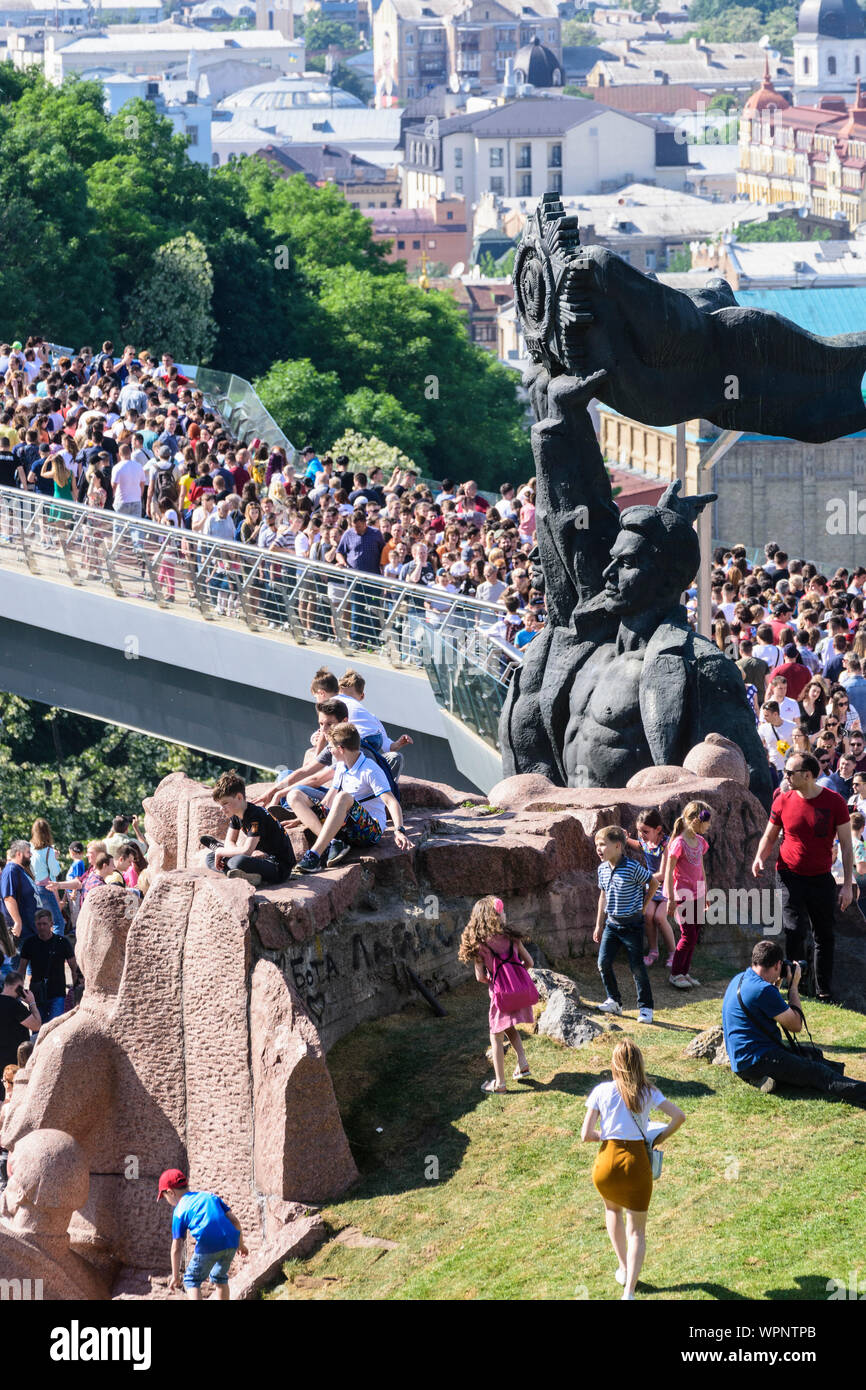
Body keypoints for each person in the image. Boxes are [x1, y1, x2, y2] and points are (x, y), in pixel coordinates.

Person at [581, 1039, 685, 1300]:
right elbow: (679, 1116)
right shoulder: (647, 1091)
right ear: (639, 1064)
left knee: (612, 1209)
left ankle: (624, 1268)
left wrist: (605, 1136)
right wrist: (659, 1138)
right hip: (636, 1162)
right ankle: (628, 1293)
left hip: (606, 1162)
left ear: (614, 1065)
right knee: (637, 1230)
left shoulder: (602, 1090)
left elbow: (585, 1134)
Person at [752, 753, 853, 1003]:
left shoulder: (835, 802)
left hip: (821, 878)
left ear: (807, 775)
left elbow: (848, 847)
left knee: (824, 935)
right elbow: (770, 836)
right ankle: (794, 985)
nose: (785, 775)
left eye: (789, 772)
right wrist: (759, 857)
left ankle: (823, 990)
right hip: (789, 876)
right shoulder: (782, 800)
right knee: (794, 929)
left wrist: (848, 885)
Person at [722, 939, 866, 1104]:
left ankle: (766, 1079)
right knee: (818, 1072)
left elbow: (764, 1008)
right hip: (756, 1061)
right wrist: (794, 986)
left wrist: (777, 985)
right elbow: (796, 1025)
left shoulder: (741, 978)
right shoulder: (763, 990)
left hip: (742, 1059)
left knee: (812, 1054)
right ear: (777, 965)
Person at [290, 722, 410, 875]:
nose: (329, 751)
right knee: (295, 795)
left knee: (343, 797)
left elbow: (391, 802)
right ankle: (332, 843)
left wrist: (399, 830)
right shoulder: (341, 765)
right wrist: (305, 815)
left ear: (340, 749)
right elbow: (328, 800)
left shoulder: (370, 769)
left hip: (369, 830)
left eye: (331, 747)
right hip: (345, 825)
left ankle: (314, 856)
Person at [458, 895, 536, 1094]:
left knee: (495, 1034)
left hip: (500, 996)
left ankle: (500, 1083)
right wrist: (515, 977)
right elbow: (530, 963)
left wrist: (495, 980)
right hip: (518, 992)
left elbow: (479, 977)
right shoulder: (512, 938)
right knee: (508, 1026)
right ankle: (523, 1063)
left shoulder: (480, 945)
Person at [593, 825, 659, 1024]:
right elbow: (602, 896)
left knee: (637, 967)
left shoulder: (631, 867)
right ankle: (614, 1001)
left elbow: (653, 883)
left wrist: (644, 906)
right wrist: (599, 925)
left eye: (603, 844)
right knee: (603, 963)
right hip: (612, 926)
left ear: (618, 846)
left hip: (632, 926)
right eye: (597, 845)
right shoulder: (602, 869)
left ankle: (646, 1008)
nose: (599, 848)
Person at [157, 1168, 248, 1301]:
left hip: (209, 1243)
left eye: (165, 1197)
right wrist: (241, 1244)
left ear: (170, 1192)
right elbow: (234, 1221)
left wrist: (175, 1276)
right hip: (231, 1241)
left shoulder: (179, 1211)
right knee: (220, 1277)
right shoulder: (209, 1196)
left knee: (191, 1280)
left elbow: (176, 1248)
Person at [204, 771, 295, 887]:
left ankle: (233, 870)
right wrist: (227, 852)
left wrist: (223, 852)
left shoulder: (255, 816)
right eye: (220, 805)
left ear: (239, 797)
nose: (222, 809)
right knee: (210, 858)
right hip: (258, 859)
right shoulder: (236, 814)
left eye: (225, 803)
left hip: (278, 867)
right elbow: (230, 841)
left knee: (238, 861)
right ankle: (242, 875)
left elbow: (247, 851)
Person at [664, 801, 711, 990]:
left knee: (695, 933)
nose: (708, 826)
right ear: (694, 821)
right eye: (706, 822)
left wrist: (706, 891)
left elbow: (701, 868)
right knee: (687, 935)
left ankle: (684, 972)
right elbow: (669, 871)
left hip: (698, 894)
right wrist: (670, 898)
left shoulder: (700, 842)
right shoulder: (679, 843)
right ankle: (675, 974)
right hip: (682, 895)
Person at [626, 810, 675, 969]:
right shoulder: (645, 842)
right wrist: (625, 839)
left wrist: (640, 878)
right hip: (652, 887)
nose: (641, 835)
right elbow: (637, 845)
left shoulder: (666, 845)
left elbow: (662, 873)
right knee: (647, 915)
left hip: (667, 886)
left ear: (658, 829)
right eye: (639, 831)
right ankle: (653, 951)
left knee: (660, 917)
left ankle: (674, 953)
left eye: (645, 831)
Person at [20, 909, 78, 1023]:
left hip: (57, 993)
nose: (42, 927)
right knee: (37, 1028)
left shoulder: (62, 942)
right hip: (37, 994)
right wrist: (20, 992)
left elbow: (74, 968)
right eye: (39, 924)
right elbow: (21, 969)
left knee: (54, 1026)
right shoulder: (29, 943)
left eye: (45, 924)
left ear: (51, 924)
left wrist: (76, 990)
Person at [1, 841, 39, 959]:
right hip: (19, 931)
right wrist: (17, 922)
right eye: (28, 852)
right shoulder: (11, 871)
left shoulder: (20, 870)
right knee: (15, 967)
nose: (31, 855)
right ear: (18, 854)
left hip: (28, 928)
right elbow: (8, 897)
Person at [29, 818, 65, 935]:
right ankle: (56, 950)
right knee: (58, 922)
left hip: (33, 888)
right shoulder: (49, 851)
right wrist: (54, 857)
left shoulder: (29, 849)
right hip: (46, 889)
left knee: (38, 922)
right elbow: (55, 872)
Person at [0, 972, 40, 1069]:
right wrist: (32, 1003)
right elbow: (37, 1025)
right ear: (18, 988)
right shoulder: (15, 1006)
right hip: (13, 1060)